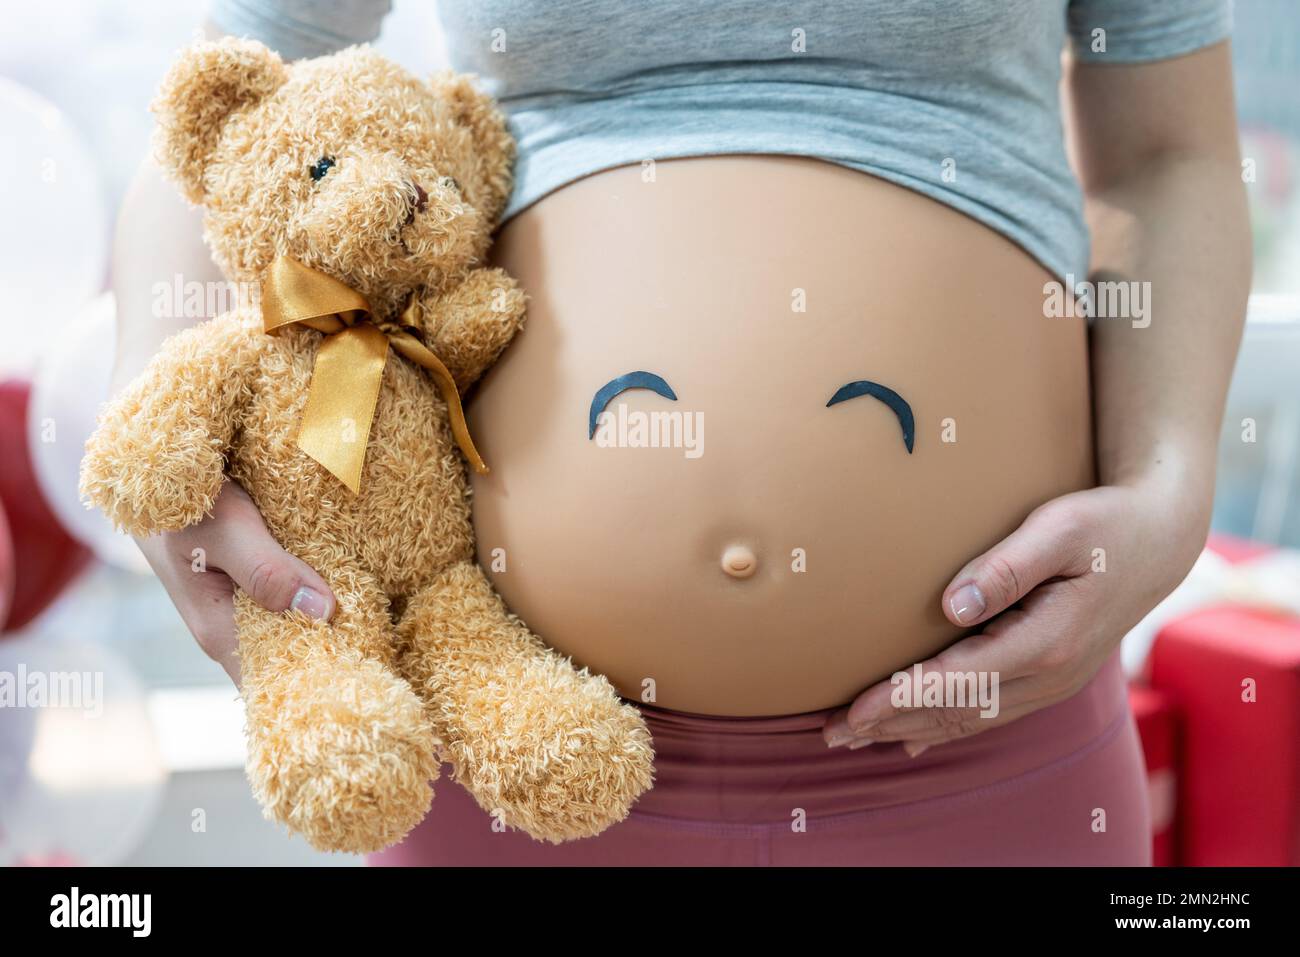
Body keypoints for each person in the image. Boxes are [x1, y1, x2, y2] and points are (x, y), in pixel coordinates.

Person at [111, 0, 1250, 865]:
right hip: (507, 727)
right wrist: (173, 463)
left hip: (982, 731)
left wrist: (1169, 490)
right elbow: (215, 131)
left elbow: (1170, 154)